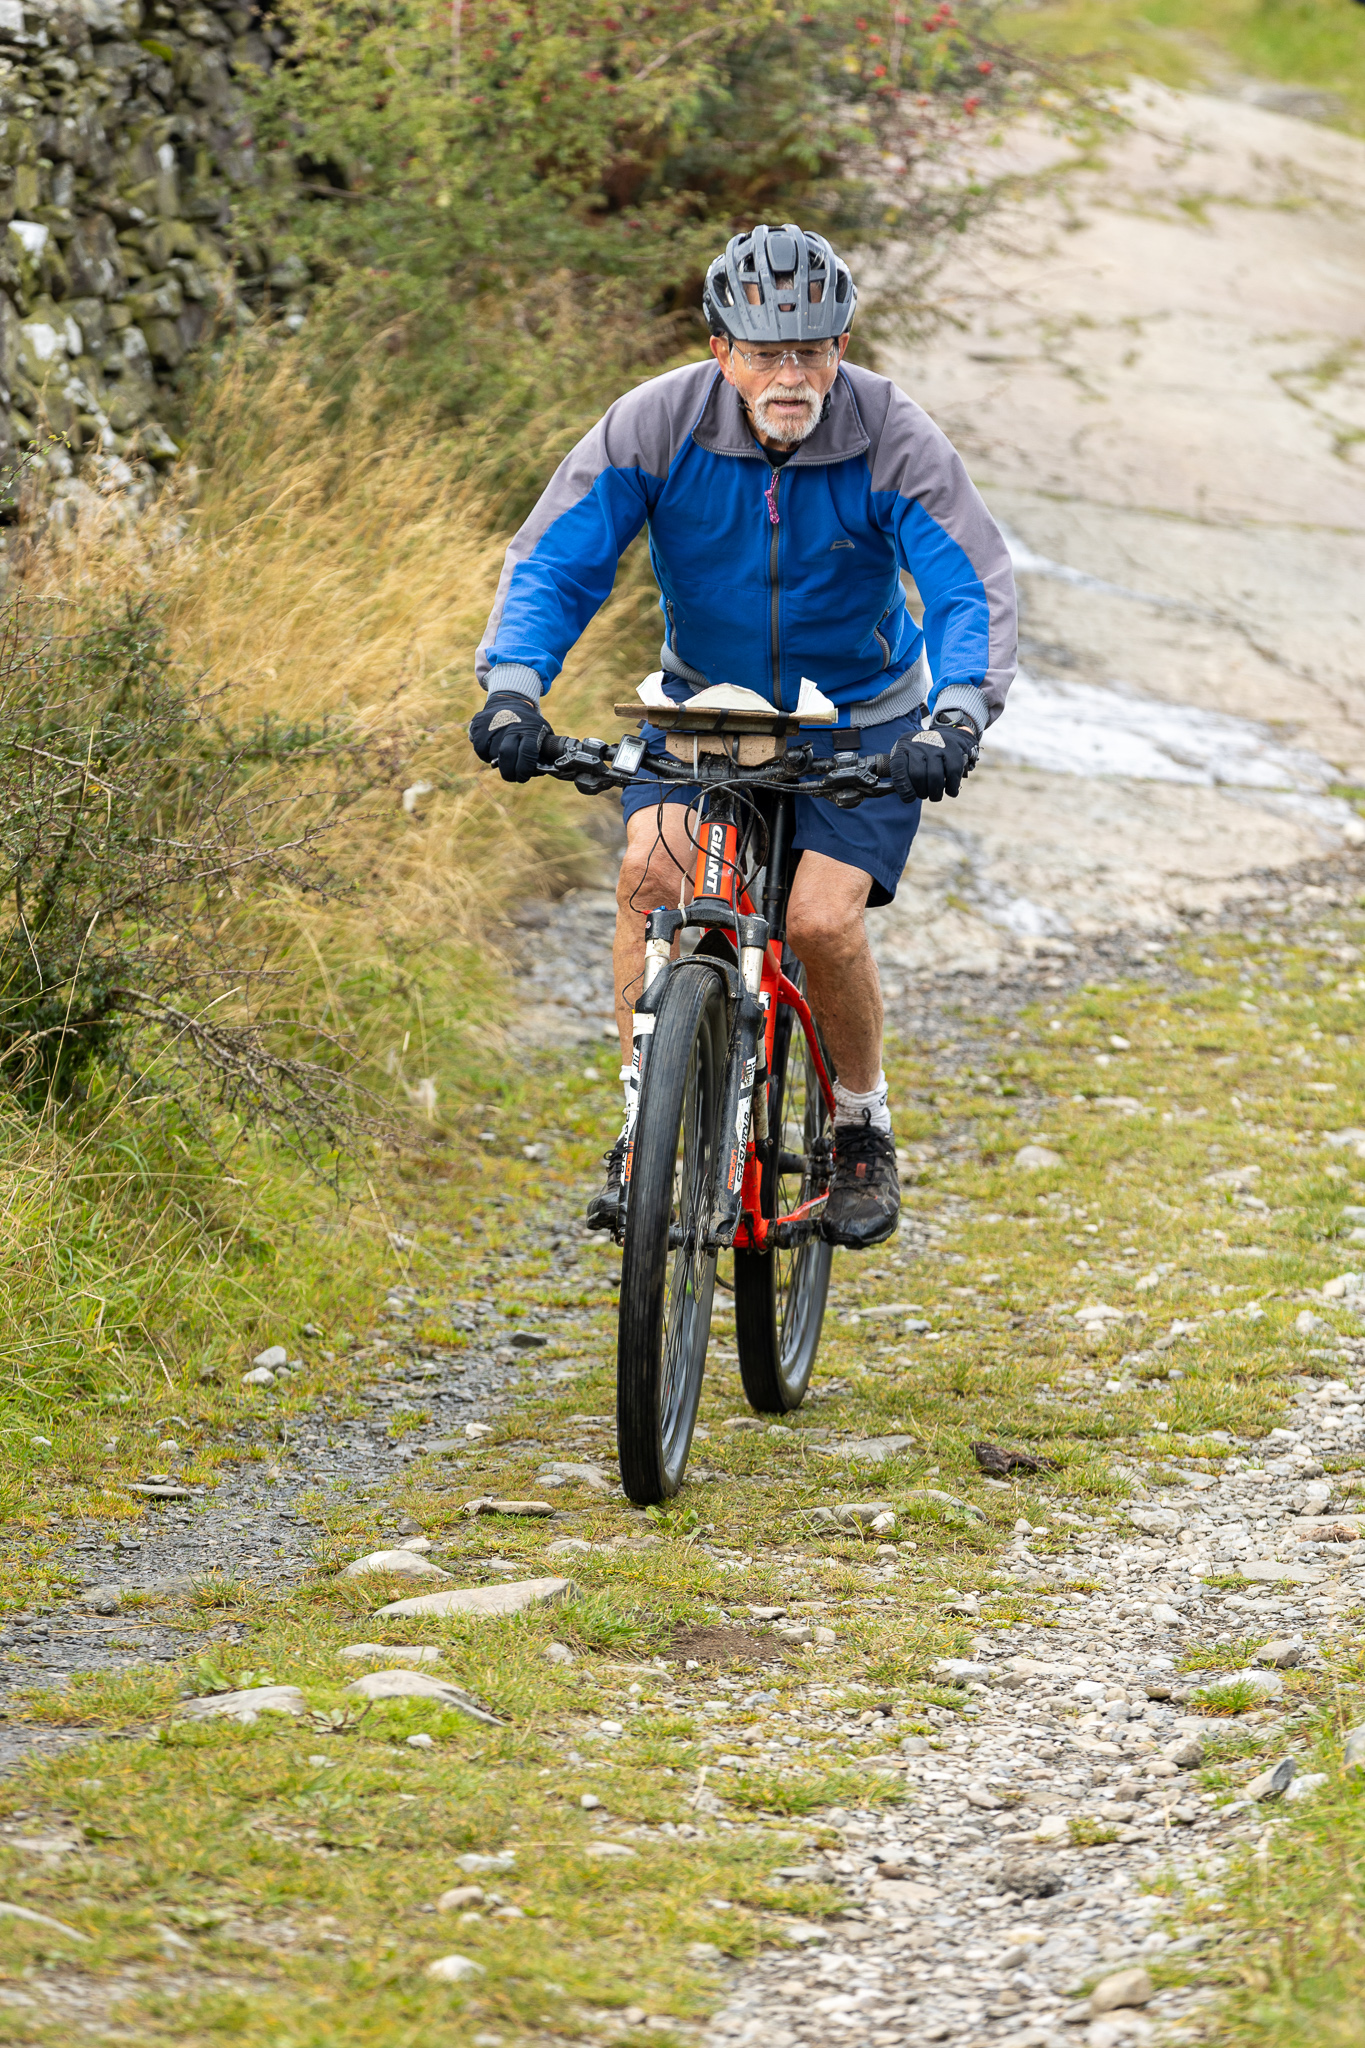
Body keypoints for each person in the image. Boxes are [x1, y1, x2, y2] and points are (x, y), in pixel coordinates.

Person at [470, 223, 1016, 1249]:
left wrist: (958, 711)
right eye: (767, 350)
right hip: (707, 708)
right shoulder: (656, 422)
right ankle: (646, 1120)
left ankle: (859, 1122)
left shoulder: (891, 433)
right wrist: (512, 689)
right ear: (721, 348)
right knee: (647, 871)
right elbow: (557, 560)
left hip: (866, 712)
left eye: (812, 348)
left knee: (816, 920)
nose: (792, 372)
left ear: (841, 347)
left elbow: (966, 583)